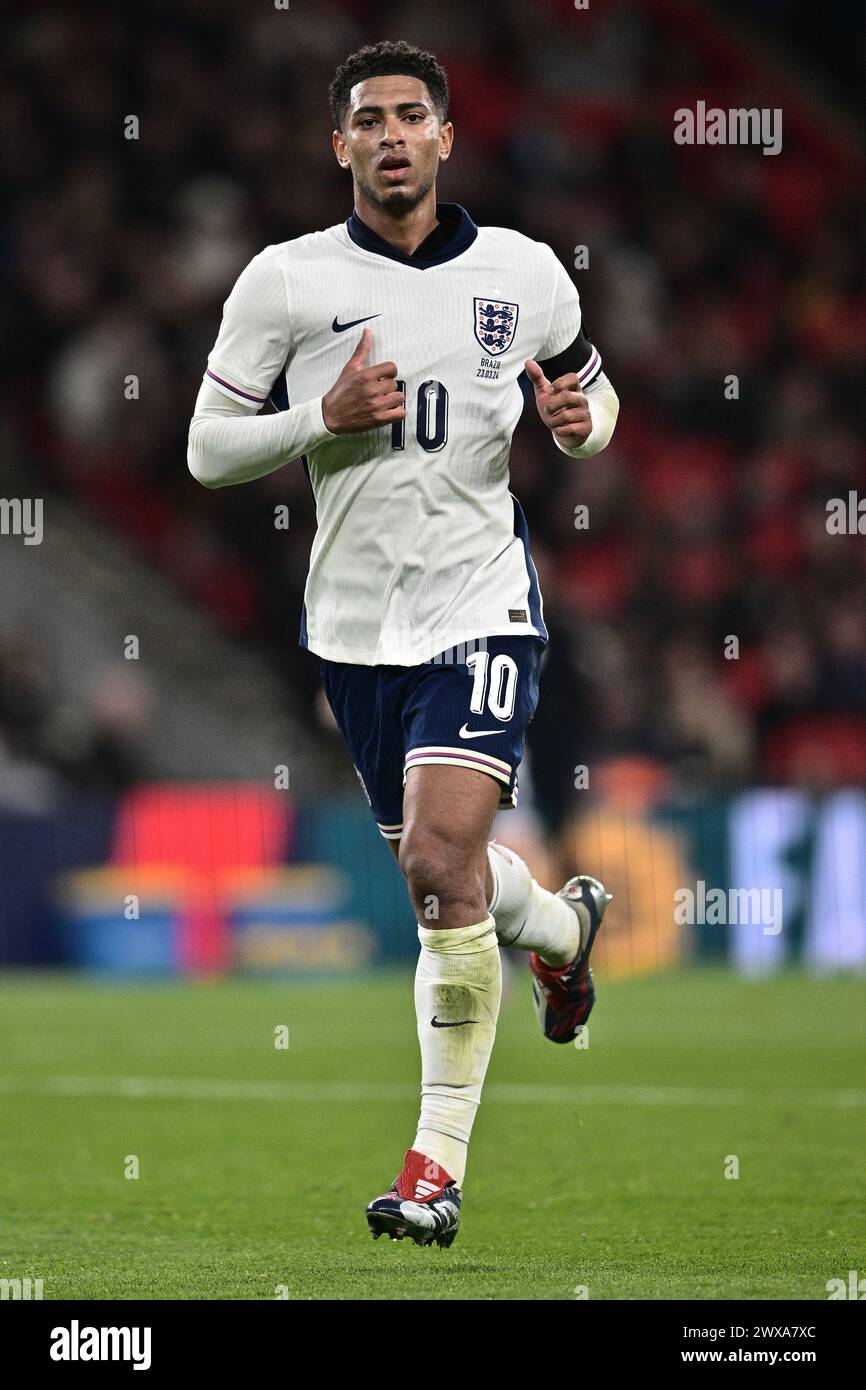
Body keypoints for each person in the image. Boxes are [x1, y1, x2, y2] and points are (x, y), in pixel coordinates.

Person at [188, 40, 618, 1249]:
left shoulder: (524, 274)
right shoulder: (285, 281)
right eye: (367, 118)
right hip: (354, 632)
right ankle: (569, 933)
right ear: (339, 146)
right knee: (455, 878)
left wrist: (582, 428)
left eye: (410, 115)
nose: (389, 134)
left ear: (443, 138)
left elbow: (593, 399)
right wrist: (315, 416)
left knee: (437, 871)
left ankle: (433, 1167)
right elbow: (205, 450)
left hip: (481, 603)